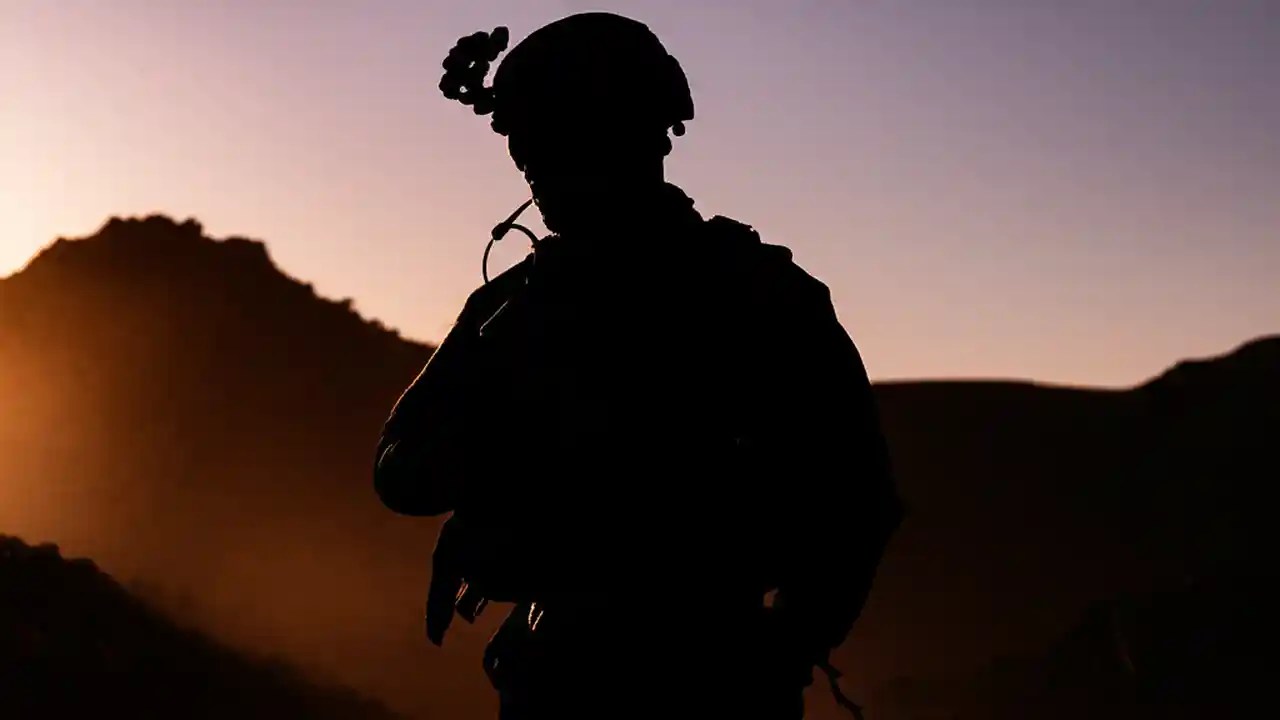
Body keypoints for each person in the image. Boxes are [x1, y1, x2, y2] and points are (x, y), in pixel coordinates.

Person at [373, 11, 903, 720]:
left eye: (551, 135)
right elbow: (401, 468)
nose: (529, 162)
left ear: (633, 133)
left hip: (706, 680)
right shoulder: (514, 303)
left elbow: (855, 498)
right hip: (554, 678)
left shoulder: (754, 293)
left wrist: (778, 651)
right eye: (525, 141)